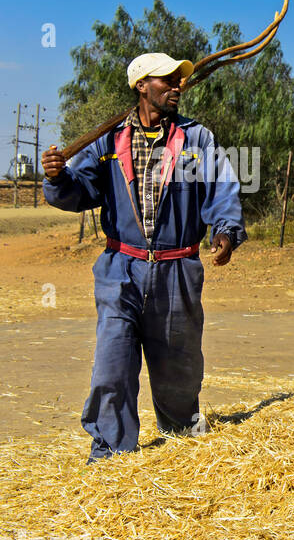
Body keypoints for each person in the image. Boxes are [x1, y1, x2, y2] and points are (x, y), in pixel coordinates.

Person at [41, 52, 246, 461]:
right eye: (167, 80)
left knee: (178, 367)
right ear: (141, 86)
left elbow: (222, 189)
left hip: (178, 270)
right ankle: (111, 452)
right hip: (121, 268)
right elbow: (78, 191)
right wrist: (57, 177)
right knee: (112, 364)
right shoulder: (108, 141)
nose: (177, 87)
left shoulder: (196, 139)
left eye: (178, 80)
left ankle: (180, 435)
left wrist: (226, 229)